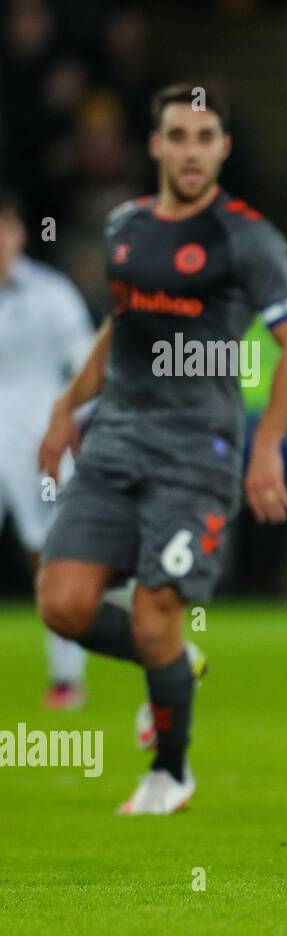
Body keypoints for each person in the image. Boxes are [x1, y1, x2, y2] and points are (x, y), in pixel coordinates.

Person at [36, 83, 287, 815]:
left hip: (200, 451)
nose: (191, 150)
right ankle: (174, 665)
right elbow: (116, 329)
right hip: (116, 440)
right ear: (156, 145)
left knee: (156, 610)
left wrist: (268, 448)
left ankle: (170, 771)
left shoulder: (248, 237)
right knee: (61, 603)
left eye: (205, 136)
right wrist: (67, 408)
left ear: (222, 147)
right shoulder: (126, 225)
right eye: (177, 135)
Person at [0, 191, 95, 710]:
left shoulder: (51, 295)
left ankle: (66, 678)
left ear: (19, 235)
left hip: (39, 442)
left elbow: (86, 370)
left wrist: (73, 427)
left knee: (53, 557)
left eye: (5, 230)